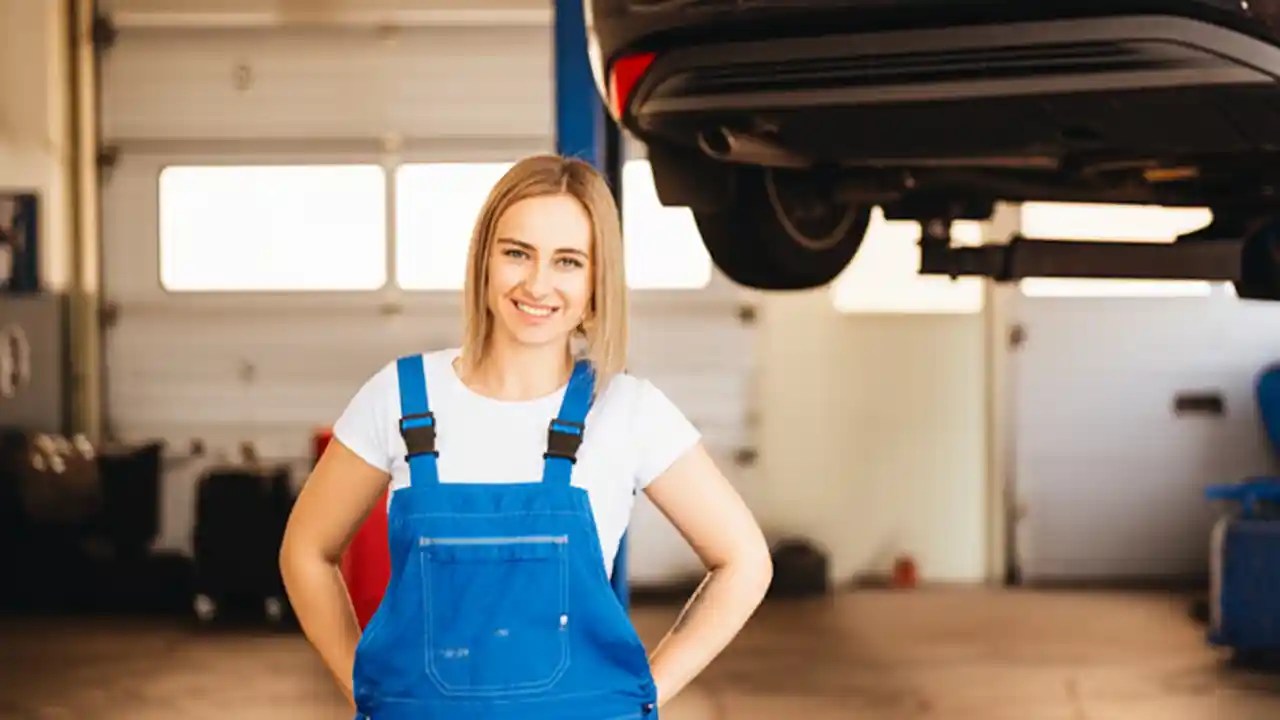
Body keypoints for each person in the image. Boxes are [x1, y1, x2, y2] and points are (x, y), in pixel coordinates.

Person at [279, 154, 773, 719]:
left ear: (595, 284)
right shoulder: (400, 397)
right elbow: (305, 551)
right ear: (484, 261)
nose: (538, 283)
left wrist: (641, 696)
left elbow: (744, 560)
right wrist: (366, 691)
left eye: (568, 261)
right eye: (517, 253)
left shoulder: (627, 411)